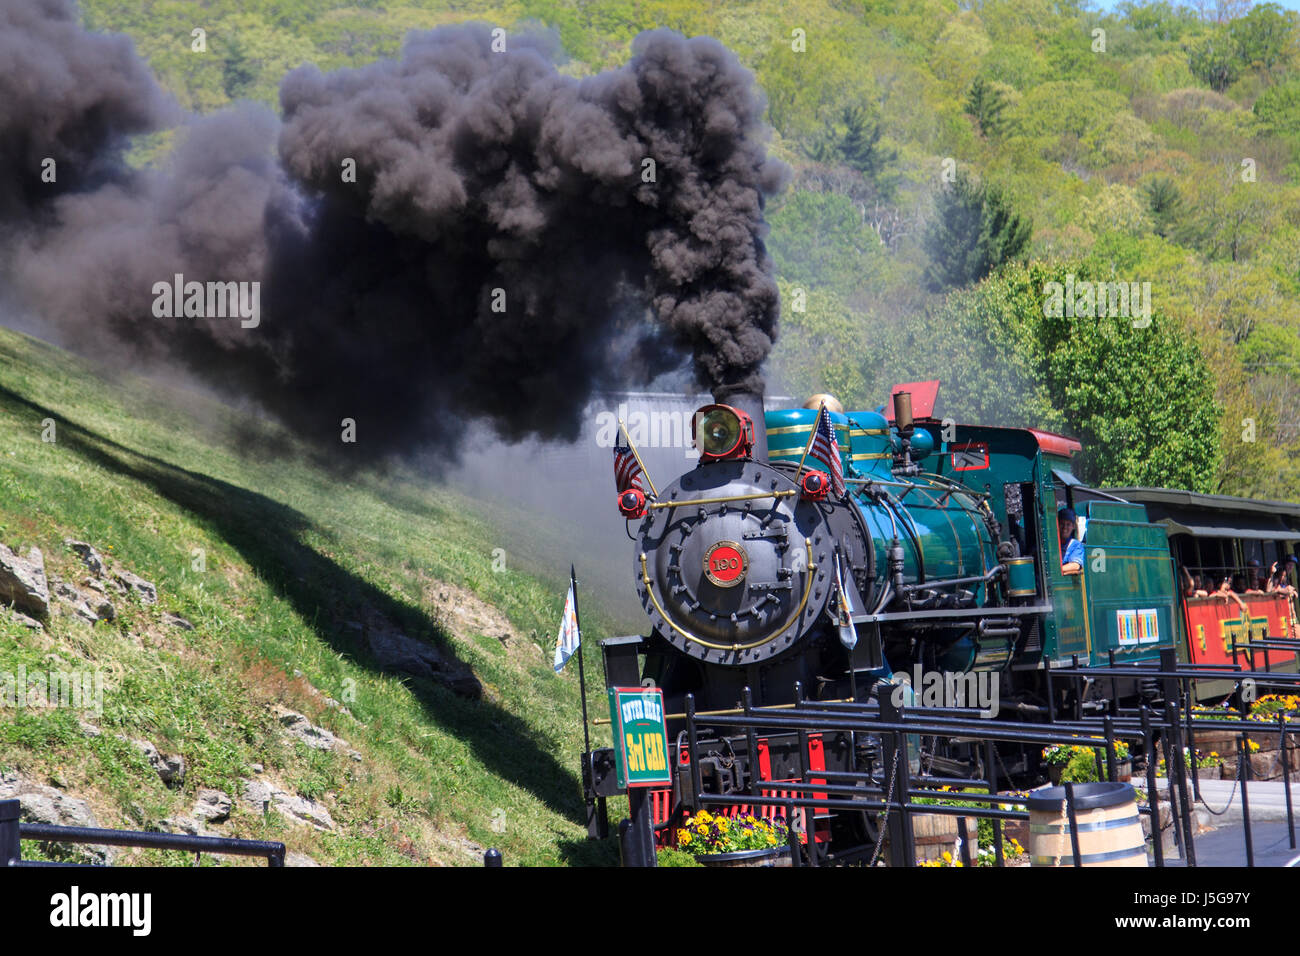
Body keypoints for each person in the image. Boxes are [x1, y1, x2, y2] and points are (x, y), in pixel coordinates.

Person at [1058, 507, 1084, 575]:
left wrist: (1056, 571)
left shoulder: (1075, 545)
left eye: (1068, 524)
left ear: (1073, 527)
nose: (1064, 527)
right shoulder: (1053, 543)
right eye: (1062, 524)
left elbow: (1075, 565)